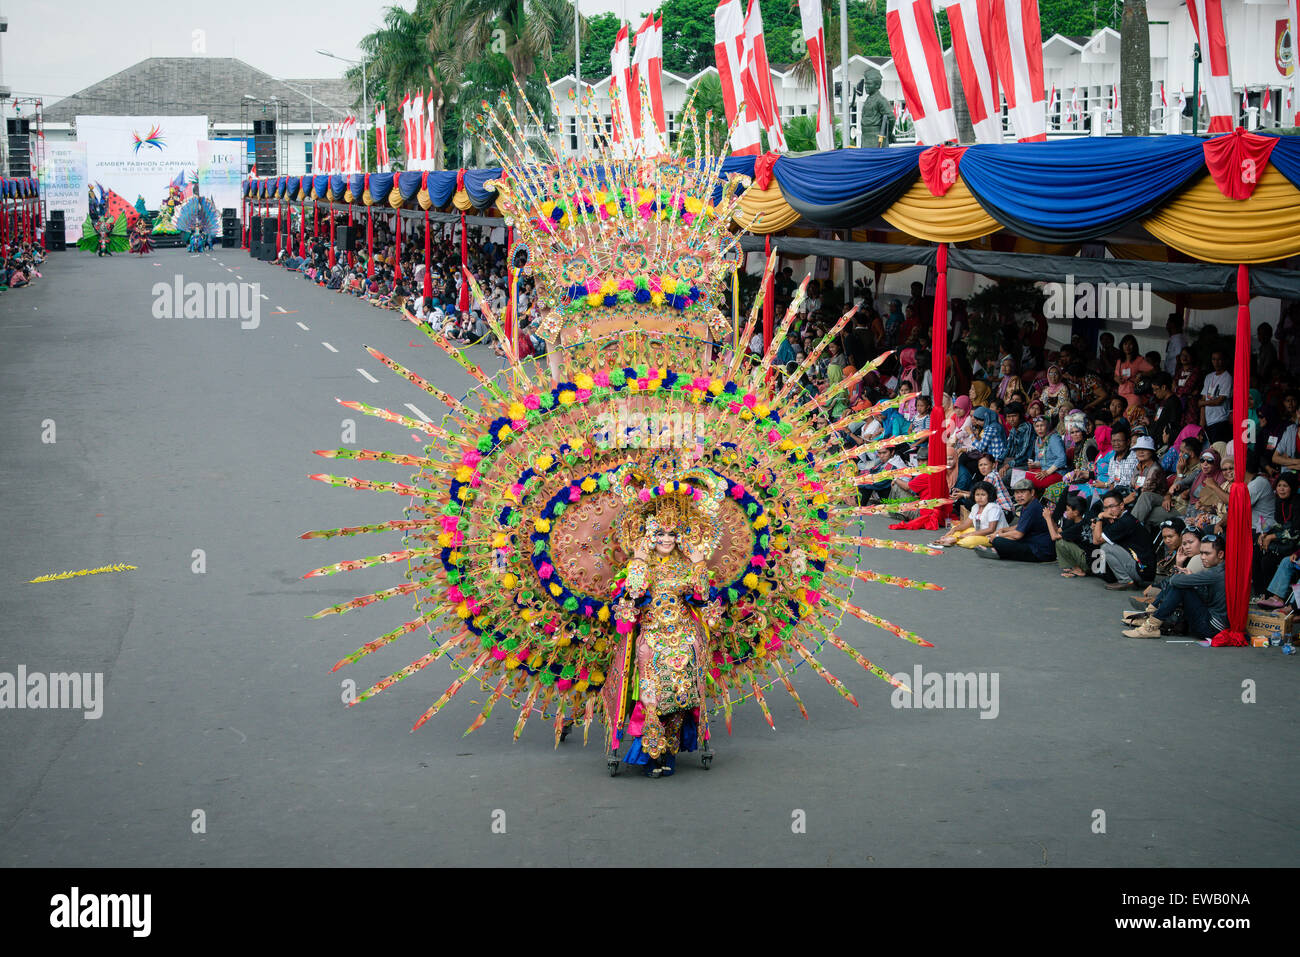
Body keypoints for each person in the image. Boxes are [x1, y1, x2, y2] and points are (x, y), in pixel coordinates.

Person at [1123, 535, 1227, 639]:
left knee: (1179, 585)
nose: (1203, 557)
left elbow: (1175, 581)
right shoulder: (1220, 569)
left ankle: (1151, 625)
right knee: (1180, 583)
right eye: (1201, 553)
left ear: (1220, 554)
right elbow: (1206, 597)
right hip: (1210, 620)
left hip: (1211, 628)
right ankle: (1150, 617)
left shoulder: (1216, 573)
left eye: (1207, 553)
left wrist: (1187, 579)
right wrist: (1190, 578)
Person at [975, 479, 1054, 562]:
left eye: (1022, 492)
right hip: (1033, 543)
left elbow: (1018, 534)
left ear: (1032, 493)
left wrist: (998, 536)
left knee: (998, 541)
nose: (1019, 496)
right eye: (1017, 493)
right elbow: (1020, 525)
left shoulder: (1032, 508)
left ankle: (1000, 552)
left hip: (1040, 551)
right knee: (1003, 538)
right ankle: (1000, 551)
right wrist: (1003, 530)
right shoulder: (1028, 505)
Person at [1093, 491, 1156, 590]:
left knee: (1105, 547)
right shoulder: (1122, 518)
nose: (1108, 511)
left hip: (1142, 570)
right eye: (1106, 508)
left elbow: (1097, 541)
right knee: (1106, 546)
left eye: (1112, 506)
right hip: (1143, 569)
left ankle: (1125, 581)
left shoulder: (1125, 522)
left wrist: (1099, 518)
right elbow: (1096, 538)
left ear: (1122, 505)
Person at [934, 481, 1007, 549]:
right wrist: (954, 529)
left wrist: (970, 534)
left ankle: (953, 540)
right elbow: (966, 524)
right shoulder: (975, 507)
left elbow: (991, 529)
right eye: (977, 495)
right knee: (956, 528)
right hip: (979, 532)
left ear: (990, 496)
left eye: (983, 495)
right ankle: (952, 538)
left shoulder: (993, 507)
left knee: (970, 541)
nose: (980, 498)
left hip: (992, 537)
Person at [1047, 494, 1090, 577]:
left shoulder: (1079, 526)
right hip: (1085, 556)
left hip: (1088, 561)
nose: (1065, 512)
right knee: (1061, 539)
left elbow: (1054, 537)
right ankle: (1075, 566)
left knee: (1060, 542)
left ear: (1076, 512)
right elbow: (1057, 530)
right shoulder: (1074, 521)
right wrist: (1051, 517)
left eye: (1067, 510)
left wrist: (1047, 519)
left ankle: (1078, 569)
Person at [1199, 348, 1233, 444]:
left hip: (1220, 420)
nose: (1216, 362)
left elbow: (1220, 400)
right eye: (1214, 359)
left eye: (1219, 359)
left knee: (1218, 449)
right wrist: (1202, 420)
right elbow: (1203, 398)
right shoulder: (1209, 376)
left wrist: (1203, 403)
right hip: (1208, 421)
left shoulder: (1227, 377)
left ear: (1224, 360)